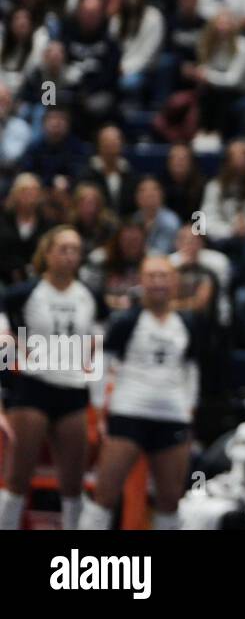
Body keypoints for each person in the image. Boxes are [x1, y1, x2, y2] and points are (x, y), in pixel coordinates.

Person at [79, 258, 199, 530]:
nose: (158, 282)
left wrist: (189, 410)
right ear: (142, 282)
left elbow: (192, 371)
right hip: (129, 414)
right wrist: (99, 409)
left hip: (172, 417)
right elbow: (102, 363)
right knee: (104, 494)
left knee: (169, 501)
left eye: (164, 276)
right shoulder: (126, 321)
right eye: (152, 276)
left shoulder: (187, 324)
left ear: (174, 282)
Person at [0, 226, 106, 530]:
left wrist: (96, 403)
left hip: (73, 389)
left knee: (73, 483)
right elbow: (5, 341)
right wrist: (6, 384)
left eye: (75, 249)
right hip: (34, 386)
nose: (69, 255)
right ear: (47, 253)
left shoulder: (89, 296)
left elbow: (96, 350)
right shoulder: (23, 293)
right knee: (18, 477)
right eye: (63, 248)